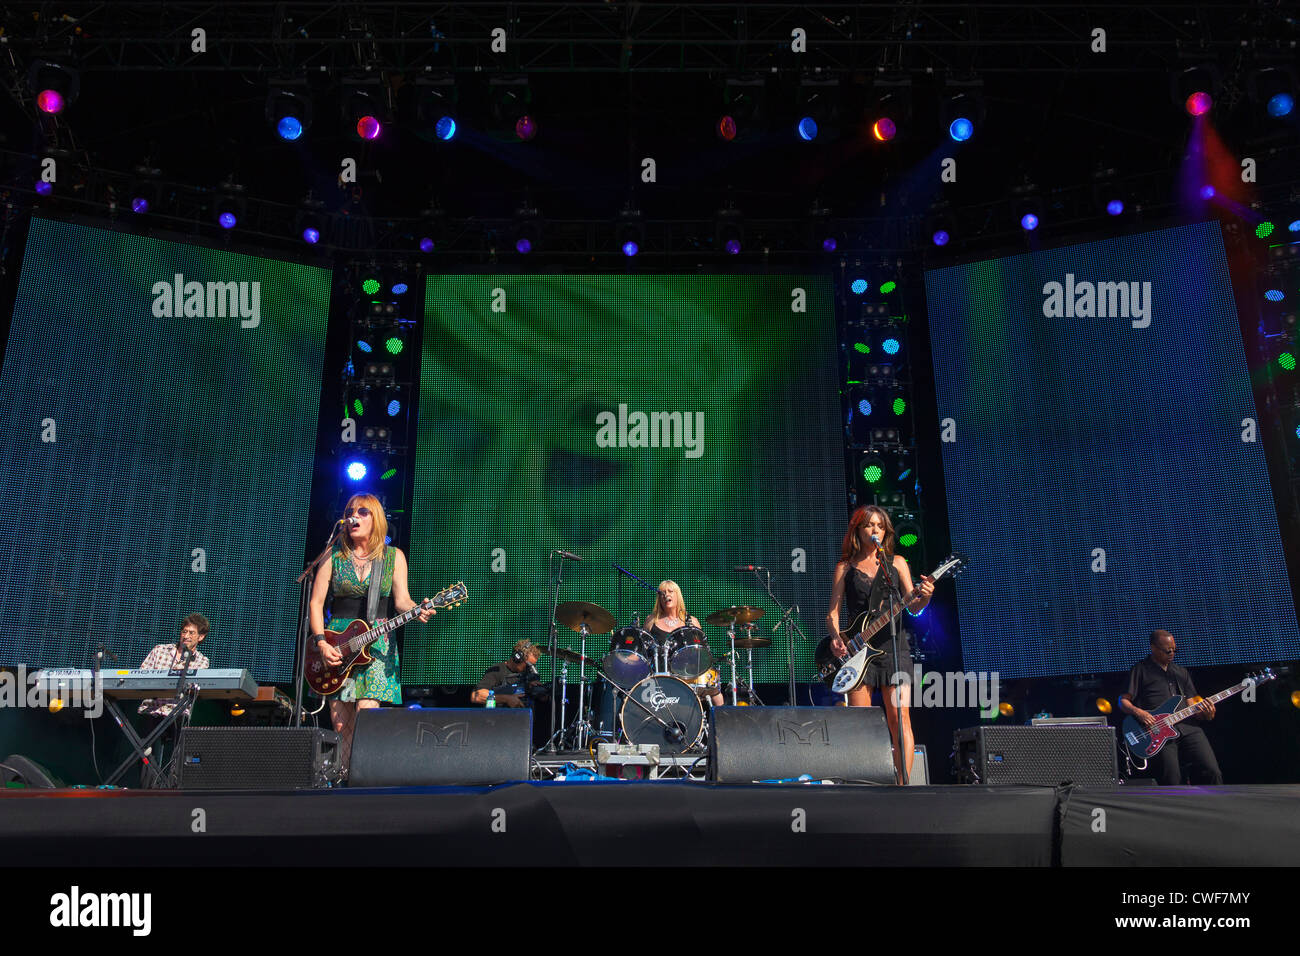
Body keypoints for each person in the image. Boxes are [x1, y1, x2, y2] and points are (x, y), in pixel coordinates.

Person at [309, 494, 435, 774]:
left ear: (376, 519)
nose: (354, 516)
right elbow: (316, 602)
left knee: (367, 714)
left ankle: (365, 778)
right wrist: (320, 642)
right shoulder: (334, 554)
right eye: (350, 511)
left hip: (376, 641)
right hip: (337, 641)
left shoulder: (393, 557)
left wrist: (420, 609)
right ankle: (343, 778)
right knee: (340, 721)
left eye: (363, 512)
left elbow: (402, 601)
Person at [826, 506, 934, 784]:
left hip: (894, 649)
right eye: (869, 525)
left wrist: (926, 597)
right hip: (859, 652)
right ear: (857, 531)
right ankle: (865, 785)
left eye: (880, 526)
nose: (875, 530)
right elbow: (833, 613)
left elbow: (914, 607)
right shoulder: (845, 567)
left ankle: (903, 786)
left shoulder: (896, 563)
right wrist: (837, 637)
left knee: (901, 720)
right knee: (862, 724)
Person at [1119, 629, 1223, 785]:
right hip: (1158, 731)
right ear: (1153, 648)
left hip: (1188, 727)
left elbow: (1193, 705)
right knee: (1171, 778)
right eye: (1167, 650)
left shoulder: (1181, 672)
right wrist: (1139, 713)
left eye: (1175, 650)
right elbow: (1123, 701)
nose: (1172, 653)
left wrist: (1207, 714)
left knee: (1212, 771)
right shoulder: (1140, 669)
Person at [137, 613, 211, 787]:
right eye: (184, 631)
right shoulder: (160, 650)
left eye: (191, 633)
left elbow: (195, 689)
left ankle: (169, 791)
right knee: (147, 754)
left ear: (201, 637)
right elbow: (140, 677)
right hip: (153, 710)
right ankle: (145, 793)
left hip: (177, 713)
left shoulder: (202, 661)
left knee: (176, 758)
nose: (186, 636)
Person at [645, 580, 723, 707]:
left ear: (677, 596)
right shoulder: (651, 620)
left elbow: (702, 651)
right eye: (663, 593)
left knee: (715, 691)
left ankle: (721, 721)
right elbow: (644, 648)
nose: (666, 595)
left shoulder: (691, 621)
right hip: (661, 672)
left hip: (687, 673)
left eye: (670, 592)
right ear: (659, 598)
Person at [471, 640, 550, 708]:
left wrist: (539, 692)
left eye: (532, 665)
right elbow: (476, 696)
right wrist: (506, 699)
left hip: (524, 721)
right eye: (528, 665)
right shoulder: (498, 670)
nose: (530, 668)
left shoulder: (529, 673)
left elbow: (542, 699)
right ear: (517, 658)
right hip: (498, 721)